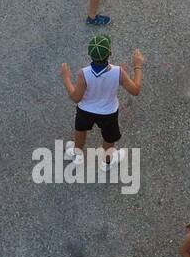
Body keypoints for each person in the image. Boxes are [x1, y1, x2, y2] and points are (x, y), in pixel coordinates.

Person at [60, 33, 143, 171]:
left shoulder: (84, 73)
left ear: (89, 54)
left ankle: (77, 153)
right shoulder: (118, 72)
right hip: (108, 112)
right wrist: (138, 66)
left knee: (80, 129)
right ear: (109, 52)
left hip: (85, 110)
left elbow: (76, 97)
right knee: (109, 137)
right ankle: (107, 162)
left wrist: (66, 78)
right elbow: (135, 90)